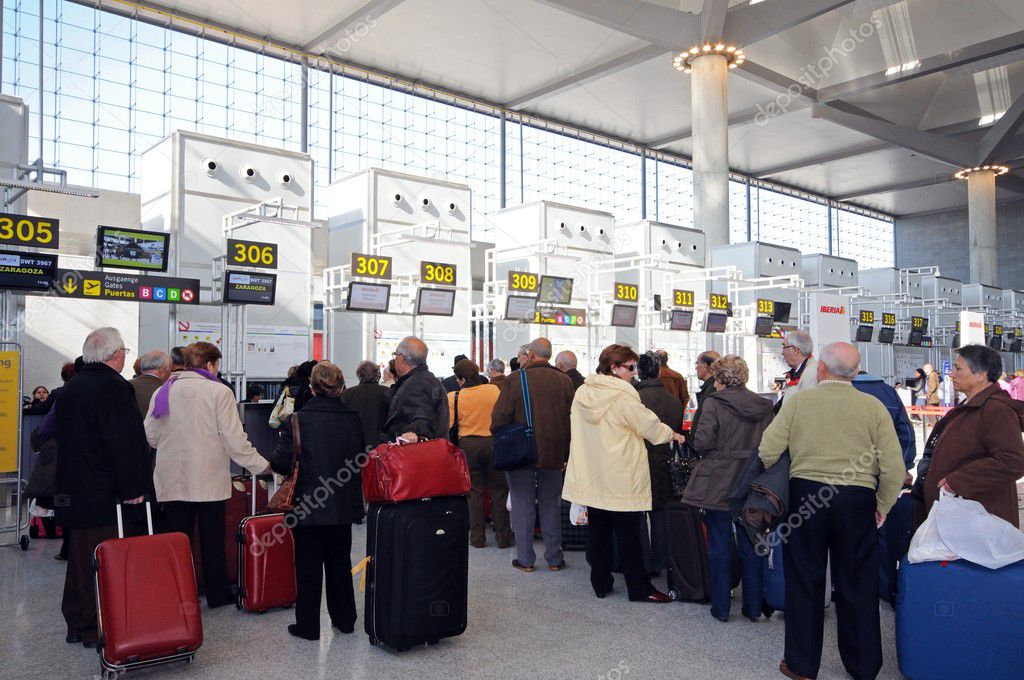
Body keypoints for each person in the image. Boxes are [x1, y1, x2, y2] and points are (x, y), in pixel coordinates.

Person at [758, 342, 904, 680]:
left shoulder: (799, 402)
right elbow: (894, 467)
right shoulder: (873, 407)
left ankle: (801, 665)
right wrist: (882, 505)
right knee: (858, 582)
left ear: (821, 369)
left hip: (806, 498)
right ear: (855, 373)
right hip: (857, 499)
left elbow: (767, 450)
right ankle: (863, 666)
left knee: (804, 580)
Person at [144, 342, 270, 608]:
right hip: (207, 478)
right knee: (212, 539)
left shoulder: (164, 390)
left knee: (177, 540)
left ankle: (178, 593)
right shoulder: (219, 391)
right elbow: (234, 440)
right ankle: (217, 593)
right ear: (211, 364)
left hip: (172, 478)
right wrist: (261, 465)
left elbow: (151, 436)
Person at [562, 344, 685, 602]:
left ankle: (601, 583)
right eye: (630, 367)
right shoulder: (622, 395)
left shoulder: (583, 392)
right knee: (630, 536)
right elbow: (648, 426)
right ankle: (639, 588)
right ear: (614, 367)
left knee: (598, 533)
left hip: (594, 473)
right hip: (621, 476)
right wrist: (672, 434)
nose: (634, 372)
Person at [55, 328, 153, 648]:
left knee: (80, 557)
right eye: (124, 352)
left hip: (74, 487)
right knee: (103, 556)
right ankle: (94, 626)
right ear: (116, 355)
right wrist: (133, 488)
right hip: (103, 490)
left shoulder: (72, 386)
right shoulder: (114, 387)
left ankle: (76, 621)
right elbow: (122, 443)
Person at [266, 361, 365, 641]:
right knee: (340, 562)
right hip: (342, 502)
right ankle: (345, 620)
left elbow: (280, 461)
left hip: (307, 503)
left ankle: (308, 626)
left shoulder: (298, 419)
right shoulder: (353, 418)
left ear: (312, 387)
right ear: (341, 387)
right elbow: (360, 456)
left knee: (308, 566)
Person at [681, 355, 773, 622]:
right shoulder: (763, 406)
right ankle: (753, 608)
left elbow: (702, 442)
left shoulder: (714, 403)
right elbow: (771, 445)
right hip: (752, 478)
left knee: (719, 543)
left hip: (718, 479)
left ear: (719, 378)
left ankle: (721, 608)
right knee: (752, 542)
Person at [491, 338, 574, 572]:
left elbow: (499, 417)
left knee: (522, 503)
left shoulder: (516, 379)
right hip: (554, 452)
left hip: (521, 452)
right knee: (550, 503)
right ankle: (555, 558)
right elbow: (570, 418)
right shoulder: (565, 381)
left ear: (530, 354)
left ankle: (526, 559)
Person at [922, 345, 1024, 527]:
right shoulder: (969, 407)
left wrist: (957, 481)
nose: (951, 374)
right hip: (960, 516)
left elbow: (1012, 461)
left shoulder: (996, 410)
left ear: (981, 375)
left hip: (980, 521)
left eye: (958, 368)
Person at [449, 359, 510, 548]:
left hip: (468, 445)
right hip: (493, 443)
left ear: (461, 379)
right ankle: (503, 537)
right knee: (499, 491)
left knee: (474, 492)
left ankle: (477, 538)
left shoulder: (454, 397)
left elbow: (449, 424)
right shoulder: (493, 390)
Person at [633, 352, 683, 577]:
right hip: (664, 461)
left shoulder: (634, 399)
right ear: (659, 371)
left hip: (637, 461)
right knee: (660, 513)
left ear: (638, 371)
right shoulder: (673, 400)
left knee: (636, 512)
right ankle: (659, 562)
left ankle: (640, 560)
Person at [382, 336, 449, 442]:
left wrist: (413, 431)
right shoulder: (433, 381)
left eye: (395, 356)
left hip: (414, 450)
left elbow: (422, 416)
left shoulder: (415, 384)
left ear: (402, 359)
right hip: (437, 447)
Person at [853, 371, 917, 475]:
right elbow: (906, 434)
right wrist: (905, 465)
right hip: (885, 467)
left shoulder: (845, 392)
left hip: (850, 469)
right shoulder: (889, 392)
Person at [341, 360, 390, 447]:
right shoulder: (387, 392)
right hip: (381, 444)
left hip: (355, 443)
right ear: (378, 375)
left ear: (359, 375)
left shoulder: (348, 394)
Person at [775, 330, 818, 414]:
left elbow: (807, 410)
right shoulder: (801, 370)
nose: (782, 352)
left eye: (784, 347)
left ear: (795, 350)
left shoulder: (811, 373)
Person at [128, 350, 171, 417]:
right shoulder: (166, 390)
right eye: (170, 369)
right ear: (163, 370)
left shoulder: (125, 385)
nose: (170, 373)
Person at [689, 350, 721, 434]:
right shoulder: (712, 387)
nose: (696, 368)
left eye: (697, 363)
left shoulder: (713, 390)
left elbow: (708, 424)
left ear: (705, 365)